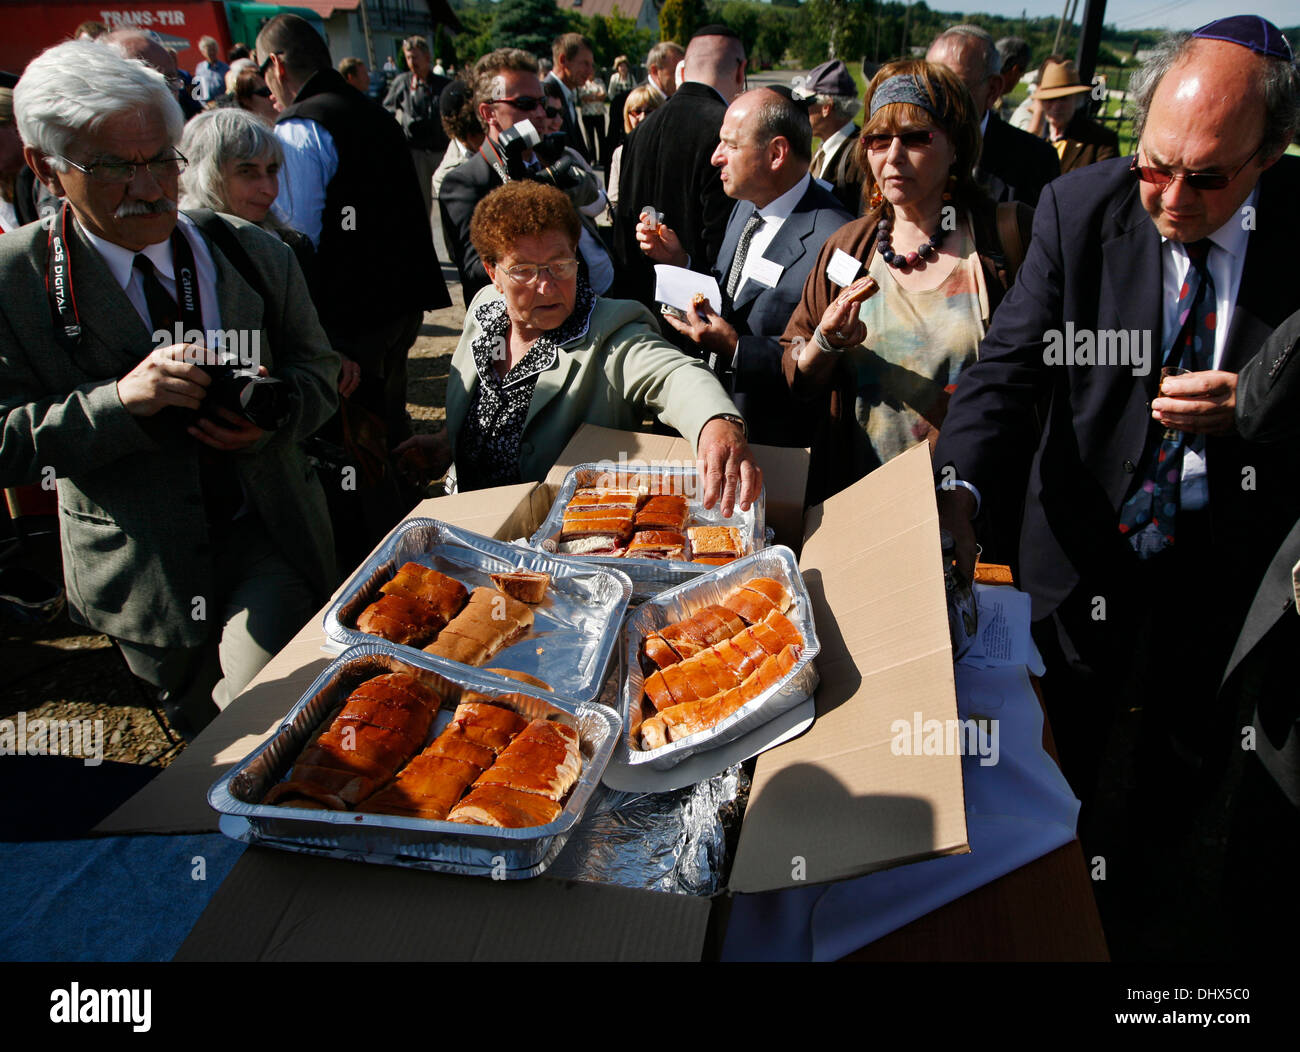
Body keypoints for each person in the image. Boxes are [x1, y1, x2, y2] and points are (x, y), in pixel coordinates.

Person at [931, 17, 1300, 918]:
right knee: (1063, 748)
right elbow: (1010, 367)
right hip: (1083, 544)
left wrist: (1254, 408)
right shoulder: (1079, 206)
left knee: (1193, 740)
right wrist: (956, 489)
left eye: (1207, 178)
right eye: (1155, 164)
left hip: (1226, 555)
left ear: (1271, 156)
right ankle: (1064, 889)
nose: (1171, 197)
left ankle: (1155, 886)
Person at [5, 40, 340, 734]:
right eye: (113, 169)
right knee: (195, 734)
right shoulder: (14, 281)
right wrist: (117, 405)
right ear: (45, 166)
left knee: (266, 714)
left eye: (162, 159)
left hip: (267, 531)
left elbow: (322, 373)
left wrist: (275, 418)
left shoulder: (254, 252)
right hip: (141, 567)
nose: (152, 188)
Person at [403, 181, 761, 518]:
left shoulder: (610, 332)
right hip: (470, 516)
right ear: (492, 272)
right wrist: (448, 442)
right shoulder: (484, 310)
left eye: (559, 266)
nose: (546, 287)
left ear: (576, 255)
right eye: (524, 270)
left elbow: (673, 375)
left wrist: (716, 423)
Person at [779, 60, 1033, 507]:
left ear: (956, 146)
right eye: (878, 140)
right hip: (858, 503)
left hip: (969, 510)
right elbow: (796, 361)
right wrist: (826, 342)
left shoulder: (1005, 241)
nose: (893, 157)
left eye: (916, 138)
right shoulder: (848, 247)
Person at [258, 13, 448, 458]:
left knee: (354, 432)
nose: (267, 89)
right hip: (397, 301)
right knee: (387, 413)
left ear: (277, 65)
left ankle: (384, 512)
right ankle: (404, 497)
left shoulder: (301, 126)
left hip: (348, 313)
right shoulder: (372, 112)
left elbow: (298, 238)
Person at [636, 88, 852, 447]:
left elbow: (824, 362)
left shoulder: (837, 239)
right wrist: (680, 262)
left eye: (731, 146)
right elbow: (733, 295)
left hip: (779, 445)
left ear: (776, 154)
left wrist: (737, 348)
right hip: (720, 423)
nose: (716, 158)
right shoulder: (747, 205)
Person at [438, 48, 614, 303]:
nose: (540, 114)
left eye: (541, 103)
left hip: (597, 298)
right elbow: (476, 272)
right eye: (525, 104)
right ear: (489, 113)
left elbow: (595, 199)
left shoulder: (551, 155)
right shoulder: (465, 181)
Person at [612, 26, 748, 307]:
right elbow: (724, 240)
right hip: (698, 307)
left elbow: (624, 219)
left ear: (684, 71)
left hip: (640, 302)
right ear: (740, 71)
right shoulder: (728, 130)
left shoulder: (641, 129)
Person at [927, 24, 1059, 206]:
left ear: (992, 90)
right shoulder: (902, 148)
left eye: (955, 87)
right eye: (930, 86)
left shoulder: (1036, 161)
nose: (940, 99)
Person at [383, 35, 451, 221]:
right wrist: (402, 122)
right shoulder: (402, 83)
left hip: (442, 151)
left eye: (415, 57)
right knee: (419, 205)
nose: (411, 62)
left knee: (449, 200)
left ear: (427, 58)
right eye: (408, 58)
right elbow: (386, 111)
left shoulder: (443, 84)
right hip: (416, 153)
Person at [794, 58, 866, 214]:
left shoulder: (861, 156)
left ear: (826, 107)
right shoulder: (822, 149)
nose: (800, 111)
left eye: (805, 103)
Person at [1029, 57, 1120, 175]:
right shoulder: (1035, 137)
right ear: (1041, 102)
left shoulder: (1102, 141)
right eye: (1050, 99)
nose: (1056, 106)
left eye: (1063, 99)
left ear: (1077, 100)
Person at [604, 42, 683, 171]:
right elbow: (612, 157)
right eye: (675, 72)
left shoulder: (682, 102)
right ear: (655, 71)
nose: (681, 78)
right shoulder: (623, 102)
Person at [607, 85, 662, 211]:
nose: (642, 117)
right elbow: (613, 202)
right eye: (636, 111)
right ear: (627, 116)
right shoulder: (620, 153)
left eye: (649, 111)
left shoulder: (670, 150)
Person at [546, 33, 596, 163]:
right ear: (563, 60)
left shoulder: (568, 94)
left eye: (591, 65)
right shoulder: (545, 96)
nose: (590, 71)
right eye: (585, 64)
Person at [577, 72, 607, 165]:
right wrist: (596, 96)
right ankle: (592, 159)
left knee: (601, 136)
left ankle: (603, 159)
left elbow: (603, 95)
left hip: (599, 113)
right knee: (590, 138)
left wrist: (591, 97)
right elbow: (583, 97)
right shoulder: (583, 82)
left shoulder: (599, 81)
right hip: (587, 114)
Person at [193, 35, 229, 106]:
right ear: (203, 52)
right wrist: (204, 105)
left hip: (224, 105)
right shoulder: (200, 68)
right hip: (208, 107)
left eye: (214, 50)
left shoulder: (225, 68)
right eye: (209, 50)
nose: (212, 53)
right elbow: (197, 89)